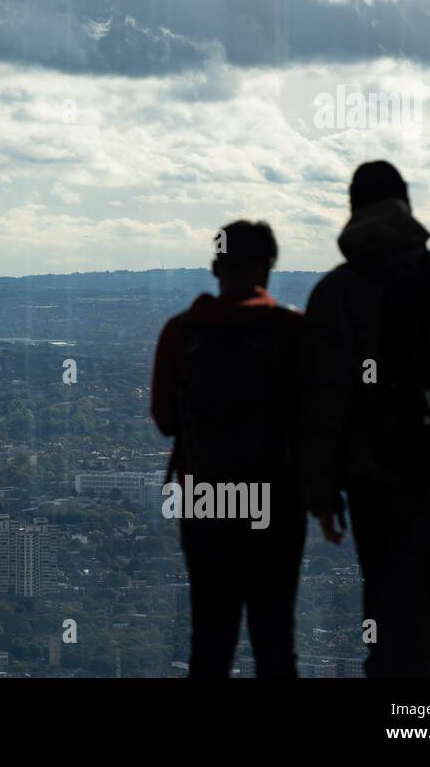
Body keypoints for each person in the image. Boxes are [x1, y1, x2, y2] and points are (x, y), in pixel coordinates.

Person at [304, 161, 430, 677]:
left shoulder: (336, 295)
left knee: (393, 629)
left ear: (354, 210)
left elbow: (321, 404)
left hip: (377, 483)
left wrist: (324, 490)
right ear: (407, 206)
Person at [151, 220, 306, 677]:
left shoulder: (181, 332)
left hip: (207, 496)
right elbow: (312, 421)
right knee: (275, 640)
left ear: (216, 266)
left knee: (211, 639)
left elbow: (164, 421)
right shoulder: (292, 330)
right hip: (276, 497)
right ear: (268, 266)